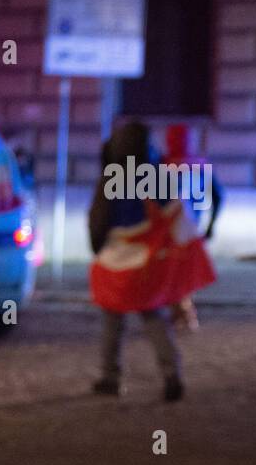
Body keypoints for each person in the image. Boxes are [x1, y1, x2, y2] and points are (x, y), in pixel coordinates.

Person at [88, 120, 215, 403]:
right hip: (146, 265)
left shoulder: (111, 177)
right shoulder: (155, 176)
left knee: (112, 323)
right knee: (154, 319)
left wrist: (96, 248)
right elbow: (176, 215)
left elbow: (97, 220)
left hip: (113, 262)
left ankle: (110, 377)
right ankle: (172, 376)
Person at [162, 124, 224, 332]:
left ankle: (185, 313)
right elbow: (218, 196)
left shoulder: (161, 164)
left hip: (171, 229)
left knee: (174, 271)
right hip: (189, 228)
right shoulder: (198, 165)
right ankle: (180, 312)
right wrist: (210, 224)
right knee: (179, 271)